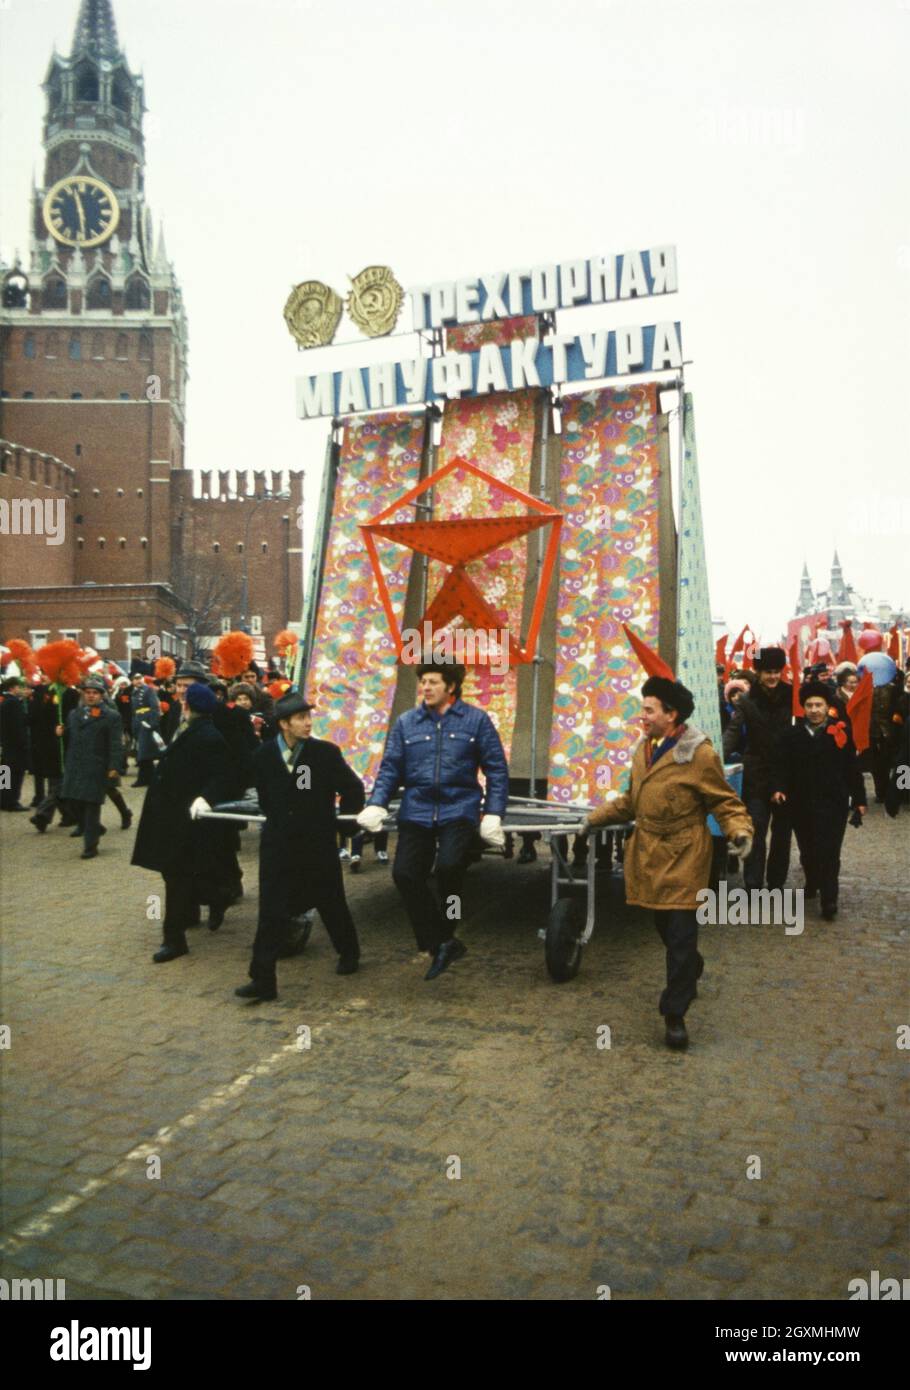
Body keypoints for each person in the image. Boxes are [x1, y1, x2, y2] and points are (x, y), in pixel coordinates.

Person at [584, 675, 753, 1050]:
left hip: (685, 854)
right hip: (648, 853)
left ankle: (674, 1014)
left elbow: (724, 802)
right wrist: (592, 819)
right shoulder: (643, 749)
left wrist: (739, 832)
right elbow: (632, 801)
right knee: (664, 925)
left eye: (648, 709)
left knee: (679, 931)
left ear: (671, 714)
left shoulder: (699, 753)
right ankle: (691, 966)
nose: (641, 715)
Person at [357, 661, 509, 980]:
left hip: (459, 808)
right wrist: (376, 804)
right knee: (405, 874)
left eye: (433, 682)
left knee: (449, 868)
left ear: (451, 687)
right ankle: (442, 940)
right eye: (423, 682)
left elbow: (496, 769)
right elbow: (390, 768)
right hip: (418, 808)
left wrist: (493, 812)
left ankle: (448, 926)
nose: (426, 687)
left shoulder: (476, 721)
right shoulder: (406, 723)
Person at [236, 691, 364, 1002]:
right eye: (301, 718)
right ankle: (263, 979)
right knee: (270, 912)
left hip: (317, 844)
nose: (308, 723)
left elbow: (353, 788)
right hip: (278, 845)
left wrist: (344, 826)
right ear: (284, 724)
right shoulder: (264, 756)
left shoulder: (324, 754)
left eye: (309, 717)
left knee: (330, 901)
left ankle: (349, 952)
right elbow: (264, 796)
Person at [131, 681, 236, 962]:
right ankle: (215, 897)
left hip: (185, 818)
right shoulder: (187, 728)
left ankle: (174, 939)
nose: (181, 704)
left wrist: (205, 798)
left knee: (176, 876)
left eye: (185, 700)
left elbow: (224, 775)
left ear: (191, 706)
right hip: (170, 815)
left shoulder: (208, 736)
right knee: (176, 875)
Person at [772, 679, 867, 920]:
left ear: (827, 707)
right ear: (803, 708)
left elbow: (852, 768)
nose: (814, 710)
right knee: (808, 849)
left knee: (830, 851)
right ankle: (812, 879)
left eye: (819, 705)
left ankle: (829, 898)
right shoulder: (791, 734)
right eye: (810, 705)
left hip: (832, 802)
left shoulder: (840, 731)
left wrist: (860, 799)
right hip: (800, 802)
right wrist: (779, 788)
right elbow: (781, 766)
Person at [722, 646, 793, 893]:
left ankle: (776, 880)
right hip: (757, 774)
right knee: (757, 827)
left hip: (786, 775)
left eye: (776, 671)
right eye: (767, 672)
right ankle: (753, 882)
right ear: (758, 672)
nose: (772, 677)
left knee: (782, 833)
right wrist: (715, 756)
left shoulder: (792, 697)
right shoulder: (747, 702)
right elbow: (733, 732)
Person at [59, 677, 123, 858]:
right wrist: (61, 732)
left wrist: (114, 766)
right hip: (75, 765)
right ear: (82, 694)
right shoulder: (74, 714)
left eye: (95, 693)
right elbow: (70, 738)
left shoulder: (111, 716)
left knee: (91, 806)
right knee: (70, 801)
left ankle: (90, 846)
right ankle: (95, 828)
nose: (91, 696)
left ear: (101, 696)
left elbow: (115, 744)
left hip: (96, 767)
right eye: (87, 692)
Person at [130, 664, 162, 787]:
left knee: (144, 752)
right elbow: (134, 711)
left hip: (147, 721)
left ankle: (143, 778)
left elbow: (154, 706)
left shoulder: (148, 690)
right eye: (135, 679)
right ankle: (151, 778)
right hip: (139, 721)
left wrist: (153, 723)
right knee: (144, 752)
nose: (138, 681)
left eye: (139, 678)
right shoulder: (134, 693)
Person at [0, 676, 29, 811]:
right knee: (16, 774)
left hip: (5, 743)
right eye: (18, 687)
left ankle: (3, 799)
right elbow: (19, 725)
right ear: (12, 688)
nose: (20, 689)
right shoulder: (14, 703)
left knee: (4, 772)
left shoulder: (4, 702)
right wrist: (24, 742)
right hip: (16, 745)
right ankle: (13, 801)